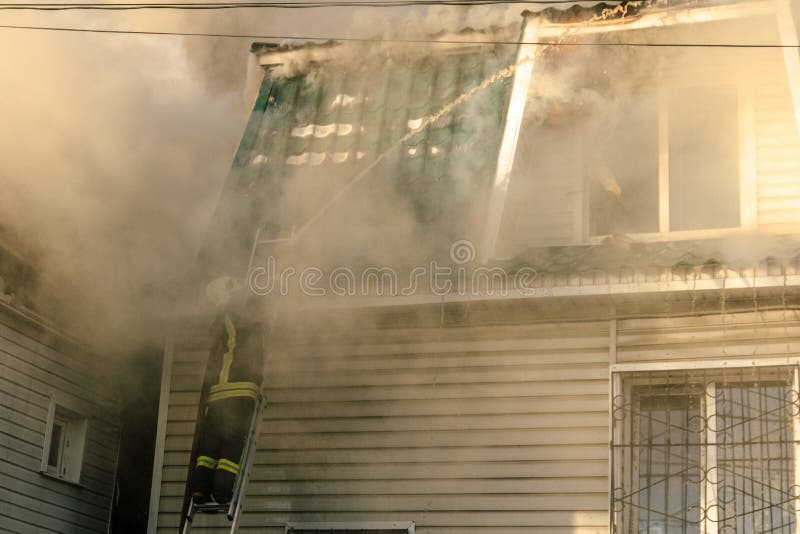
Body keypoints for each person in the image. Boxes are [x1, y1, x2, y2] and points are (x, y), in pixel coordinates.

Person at [189, 276, 264, 505]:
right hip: (242, 388)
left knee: (209, 445)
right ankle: (222, 491)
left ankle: (200, 489)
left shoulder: (223, 318)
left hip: (219, 391)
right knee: (232, 444)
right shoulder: (245, 312)